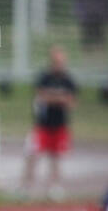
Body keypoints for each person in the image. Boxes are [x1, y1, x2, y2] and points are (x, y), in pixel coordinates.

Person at [21, 46, 78, 201]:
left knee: (57, 157)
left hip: (60, 125)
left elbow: (71, 102)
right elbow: (40, 97)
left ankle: (55, 187)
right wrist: (59, 98)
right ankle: (27, 187)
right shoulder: (44, 78)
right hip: (43, 124)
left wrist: (55, 98)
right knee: (33, 154)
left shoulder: (68, 80)